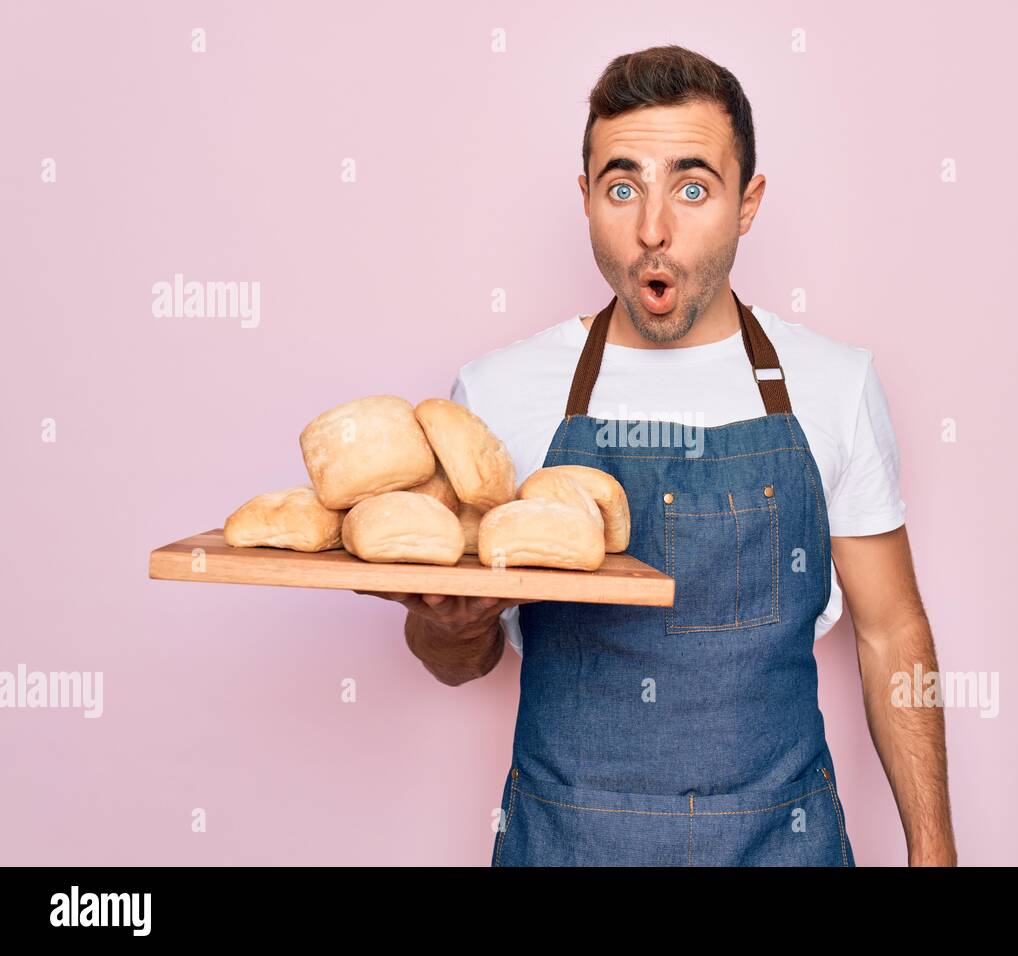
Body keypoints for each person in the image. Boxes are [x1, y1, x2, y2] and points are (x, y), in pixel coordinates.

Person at [357, 44, 955, 867]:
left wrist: (934, 851)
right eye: (623, 186)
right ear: (587, 198)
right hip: (563, 842)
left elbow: (892, 632)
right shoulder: (499, 392)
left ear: (749, 202)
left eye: (693, 186)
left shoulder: (834, 383)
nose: (653, 229)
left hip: (780, 843)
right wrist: (450, 627)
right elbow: (459, 662)